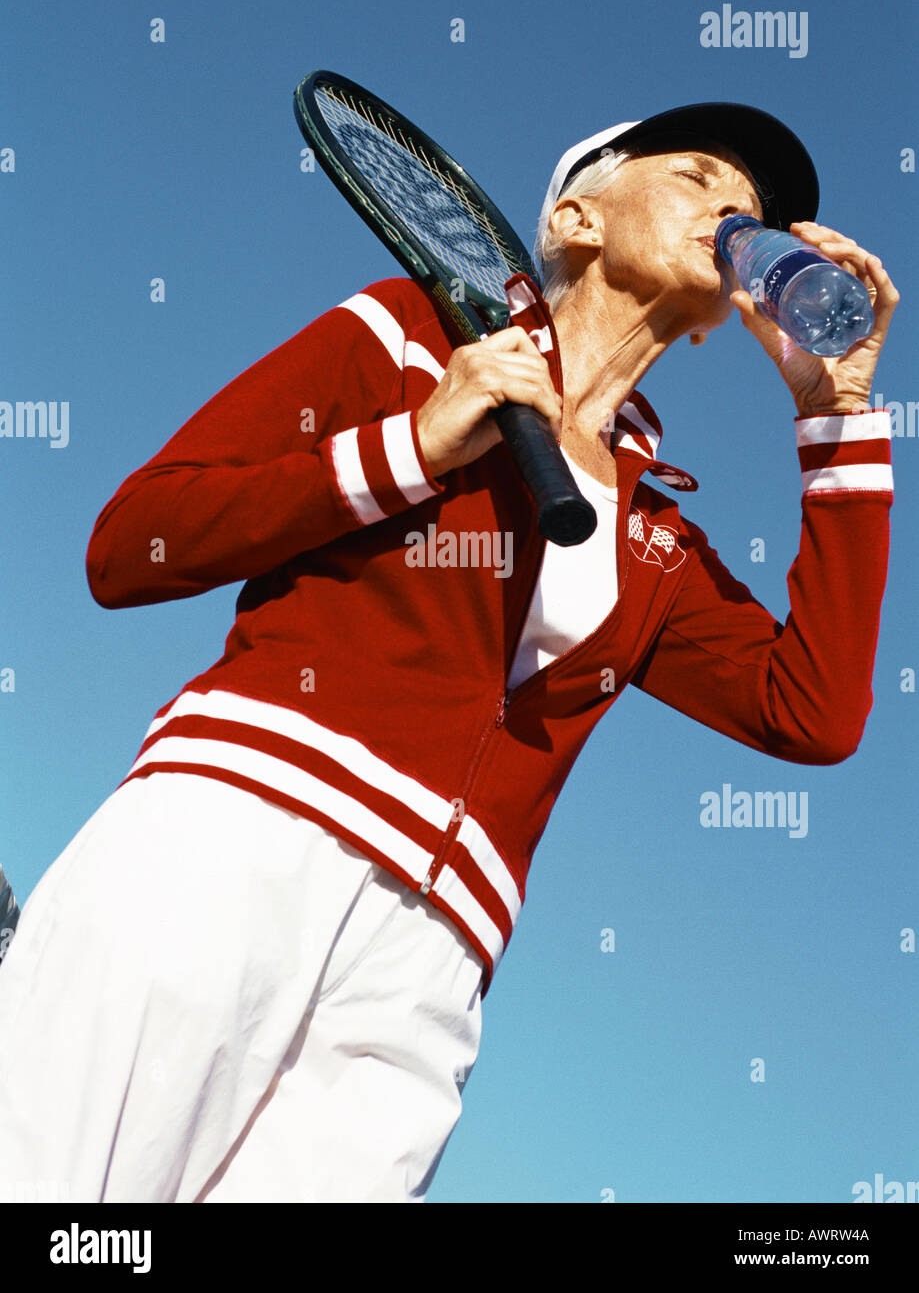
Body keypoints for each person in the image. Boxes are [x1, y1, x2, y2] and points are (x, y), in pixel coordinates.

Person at [0, 102, 897, 1204]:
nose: (732, 210)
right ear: (574, 218)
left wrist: (836, 416)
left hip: (431, 967)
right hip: (240, 832)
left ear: (726, 316)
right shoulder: (406, 334)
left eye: (753, 212)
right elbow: (130, 544)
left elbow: (812, 713)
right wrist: (413, 445)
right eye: (697, 174)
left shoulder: (657, 532)